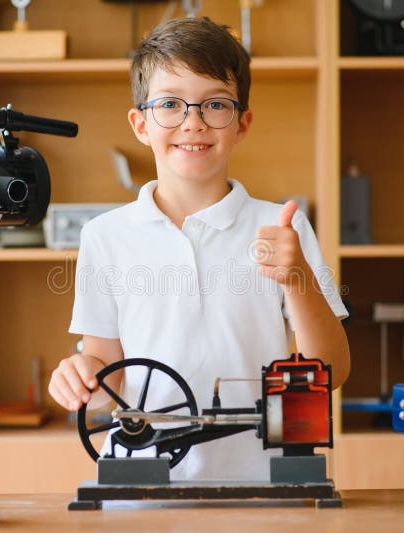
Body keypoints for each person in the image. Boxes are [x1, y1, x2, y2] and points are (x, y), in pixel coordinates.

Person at [48, 16, 350, 481]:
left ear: (242, 123)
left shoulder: (281, 228)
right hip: (141, 483)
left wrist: (298, 278)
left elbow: (331, 372)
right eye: (170, 104)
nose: (193, 122)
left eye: (215, 105)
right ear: (141, 124)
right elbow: (109, 374)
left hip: (260, 483)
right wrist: (82, 375)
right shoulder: (104, 236)